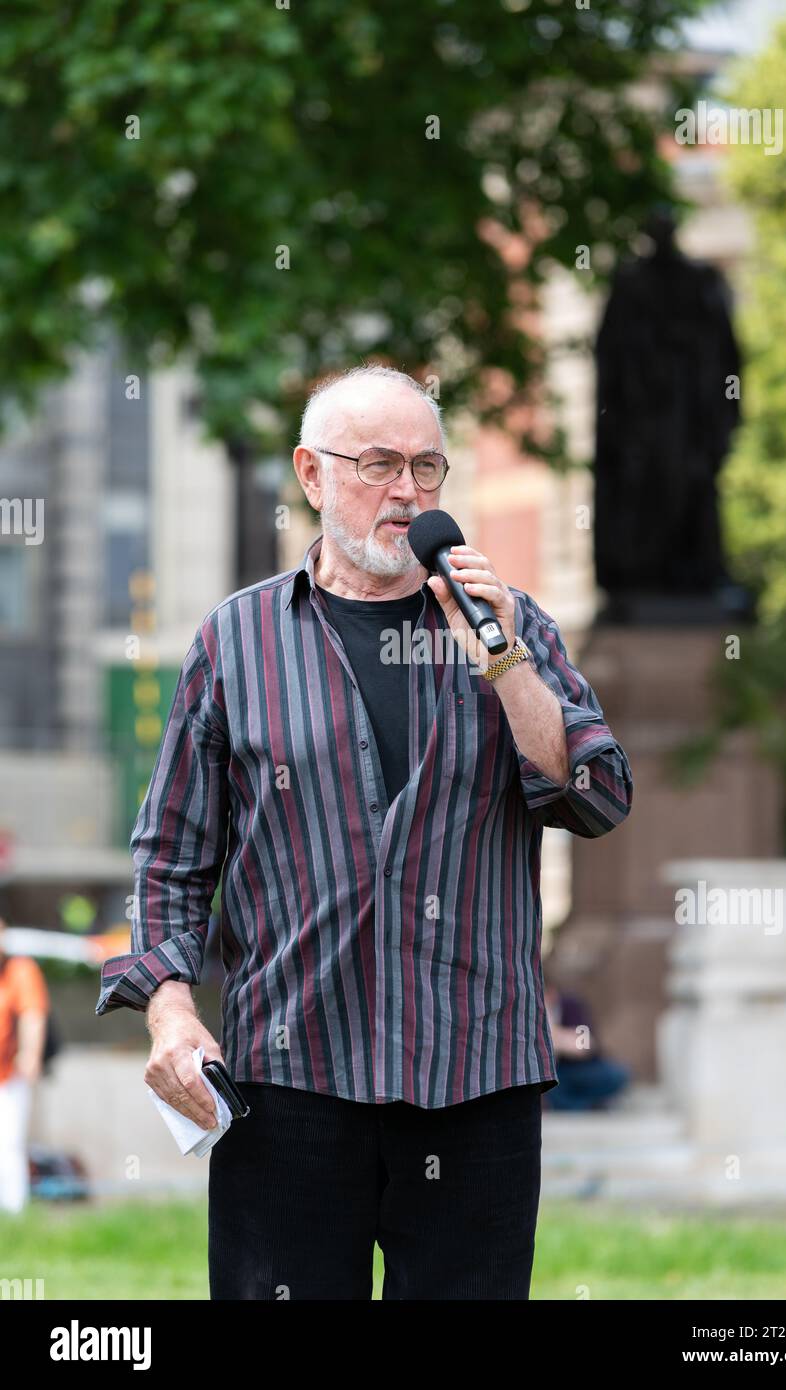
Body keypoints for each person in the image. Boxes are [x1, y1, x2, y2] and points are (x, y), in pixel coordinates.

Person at [96, 364, 633, 1300]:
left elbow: (595, 797)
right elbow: (171, 858)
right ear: (311, 474)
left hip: (474, 1080)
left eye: (426, 469)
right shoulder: (238, 641)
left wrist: (504, 659)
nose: (408, 493)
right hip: (289, 1083)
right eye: (378, 465)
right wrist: (171, 1011)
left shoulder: (510, 628)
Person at [0, 916, 49, 1213]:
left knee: (8, 1144)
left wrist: (30, 1054)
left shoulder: (19, 969)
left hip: (8, 1076)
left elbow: (33, 1014)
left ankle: (13, 1209)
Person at [543, 984, 631, 1112]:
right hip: (558, 1073)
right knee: (553, 1089)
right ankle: (589, 1106)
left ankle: (590, 1104)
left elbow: (584, 1046)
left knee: (618, 1074)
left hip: (584, 1067)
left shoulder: (570, 1005)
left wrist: (555, 1035)